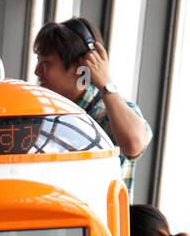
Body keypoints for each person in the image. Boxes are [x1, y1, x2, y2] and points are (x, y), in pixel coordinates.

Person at [33, 17, 152, 200]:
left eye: (46, 63)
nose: (37, 71)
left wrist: (106, 84)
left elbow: (134, 144)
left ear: (82, 67)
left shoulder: (108, 111)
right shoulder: (46, 113)